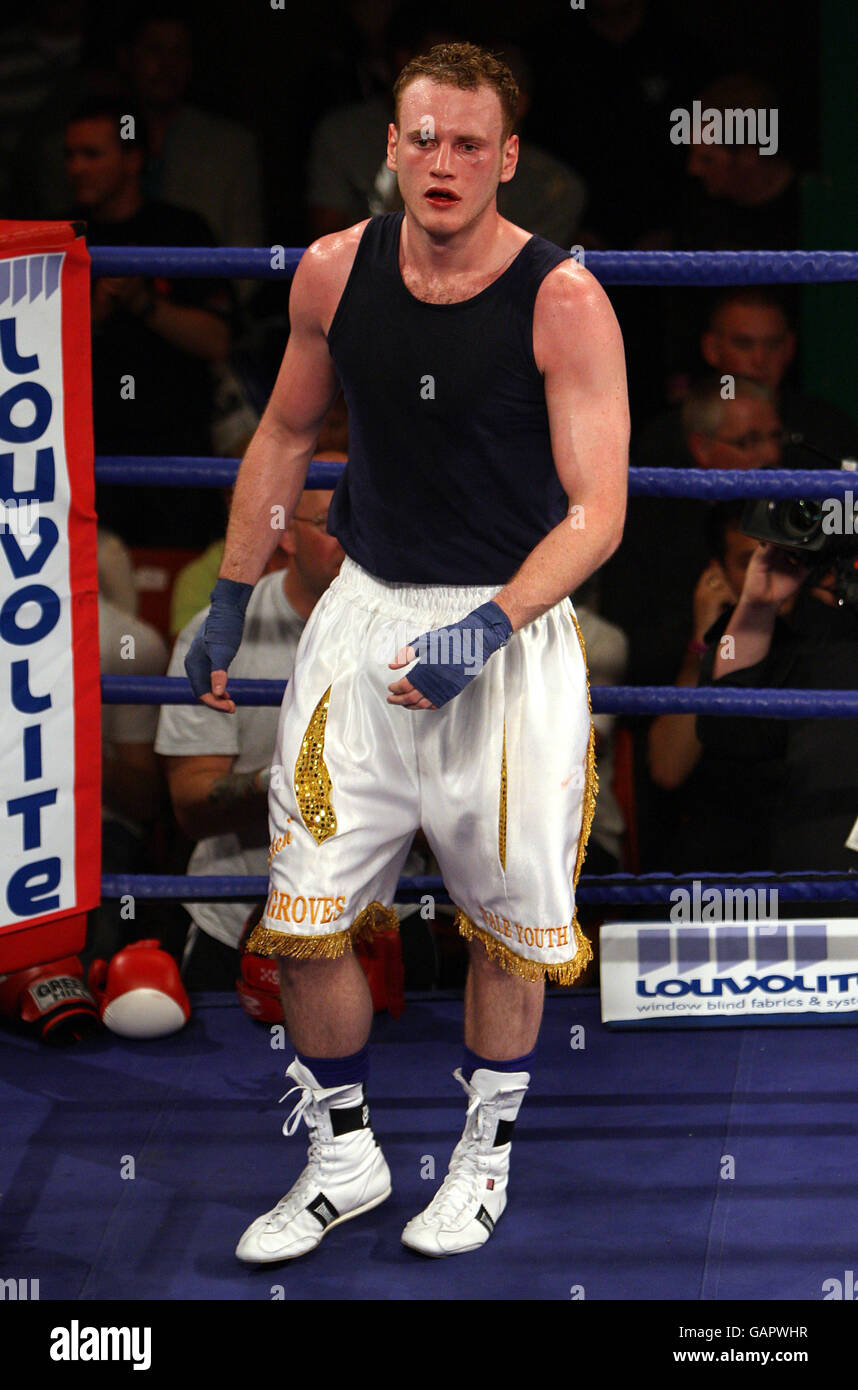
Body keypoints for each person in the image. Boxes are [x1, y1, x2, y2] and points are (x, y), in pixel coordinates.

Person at [186, 41, 628, 1261]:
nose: (442, 162)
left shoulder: (563, 299)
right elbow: (283, 431)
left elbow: (600, 509)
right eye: (422, 138)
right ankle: (345, 1155)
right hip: (365, 614)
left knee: (504, 921)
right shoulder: (333, 274)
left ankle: (481, 1160)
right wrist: (230, 594)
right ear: (391, 146)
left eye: (469, 143)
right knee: (308, 910)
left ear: (509, 159)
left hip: (511, 627)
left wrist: (487, 624)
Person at [156, 477, 345, 988]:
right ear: (284, 532)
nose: (352, 536)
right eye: (330, 522)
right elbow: (190, 805)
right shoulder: (216, 635)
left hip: (382, 914)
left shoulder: (418, 634)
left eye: (366, 517)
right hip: (240, 910)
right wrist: (283, 783)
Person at [64, 98, 231, 547]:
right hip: (89, 457)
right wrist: (94, 315)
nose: (77, 167)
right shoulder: (61, 240)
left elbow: (217, 341)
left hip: (178, 453)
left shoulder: (181, 231)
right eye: (70, 155)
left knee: (183, 601)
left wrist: (144, 304)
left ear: (132, 159)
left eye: (91, 154)